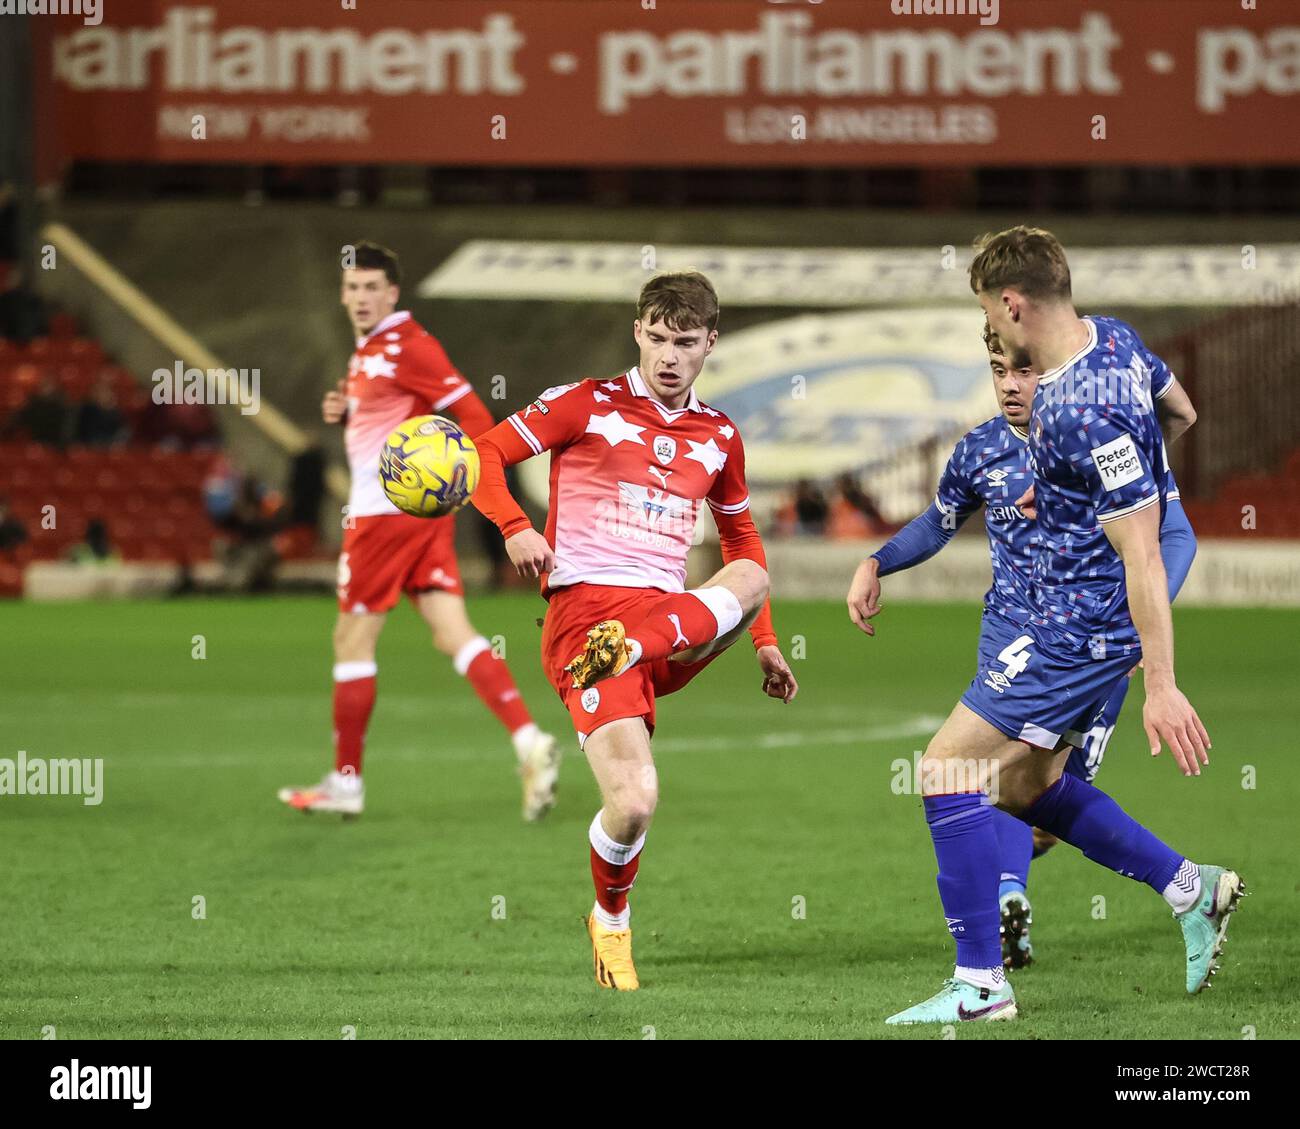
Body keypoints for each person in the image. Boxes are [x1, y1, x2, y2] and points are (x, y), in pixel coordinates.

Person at [852, 226, 1242, 1025]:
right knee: (1025, 785)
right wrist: (1115, 489)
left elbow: (1142, 553)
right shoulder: (1121, 344)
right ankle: (1191, 889)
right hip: (1071, 618)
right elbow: (1181, 410)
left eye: (993, 322)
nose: (997, 340)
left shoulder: (1075, 411)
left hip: (1077, 626)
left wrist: (1160, 683)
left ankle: (981, 984)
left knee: (945, 770)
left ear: (1013, 303)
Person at [470, 270, 799, 991]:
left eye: (685, 341)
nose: (669, 355)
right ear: (637, 333)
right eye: (656, 338)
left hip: (665, 625)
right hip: (587, 619)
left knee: (755, 579)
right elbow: (483, 454)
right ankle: (611, 920)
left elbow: (743, 543)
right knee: (635, 801)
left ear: (710, 342)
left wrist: (765, 639)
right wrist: (516, 527)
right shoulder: (584, 403)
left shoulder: (719, 435)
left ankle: (636, 644)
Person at [277, 241, 558, 820]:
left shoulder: (411, 345)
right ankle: (529, 741)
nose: (359, 298)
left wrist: (463, 475)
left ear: (392, 293)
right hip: (413, 518)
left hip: (384, 516)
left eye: (371, 288)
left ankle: (346, 783)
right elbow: (387, 416)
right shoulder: (369, 352)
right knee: (452, 631)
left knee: (351, 641)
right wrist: (346, 409)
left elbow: (477, 418)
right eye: (351, 288)